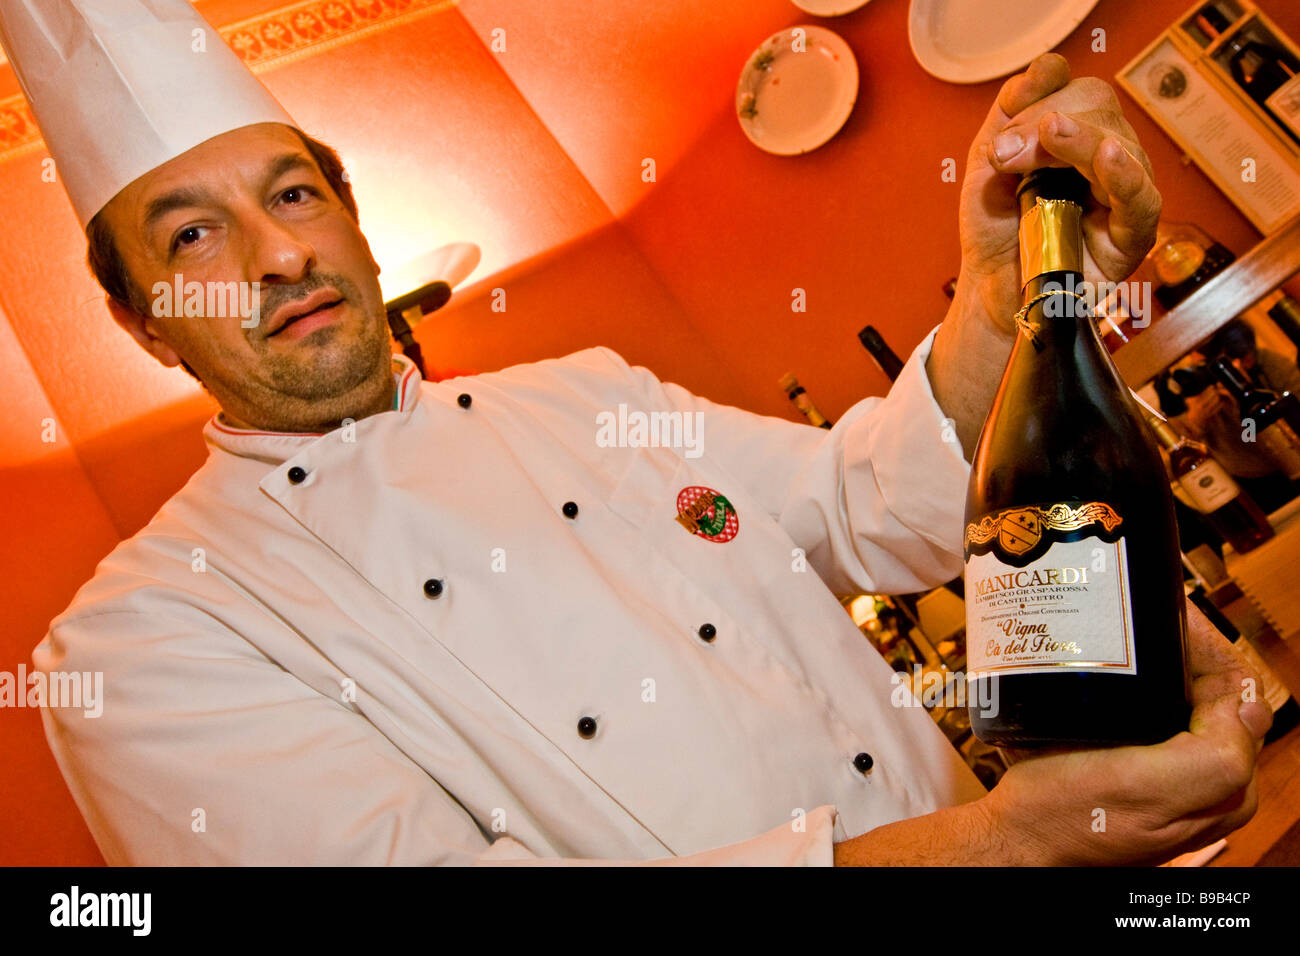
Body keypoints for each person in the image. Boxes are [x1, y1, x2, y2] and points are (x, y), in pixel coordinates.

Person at [9, 0, 1268, 866]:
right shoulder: (147, 635)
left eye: (292, 194)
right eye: (191, 233)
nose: (277, 252)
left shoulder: (583, 393)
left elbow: (859, 501)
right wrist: (1007, 842)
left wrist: (997, 305)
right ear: (144, 326)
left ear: (353, 220)